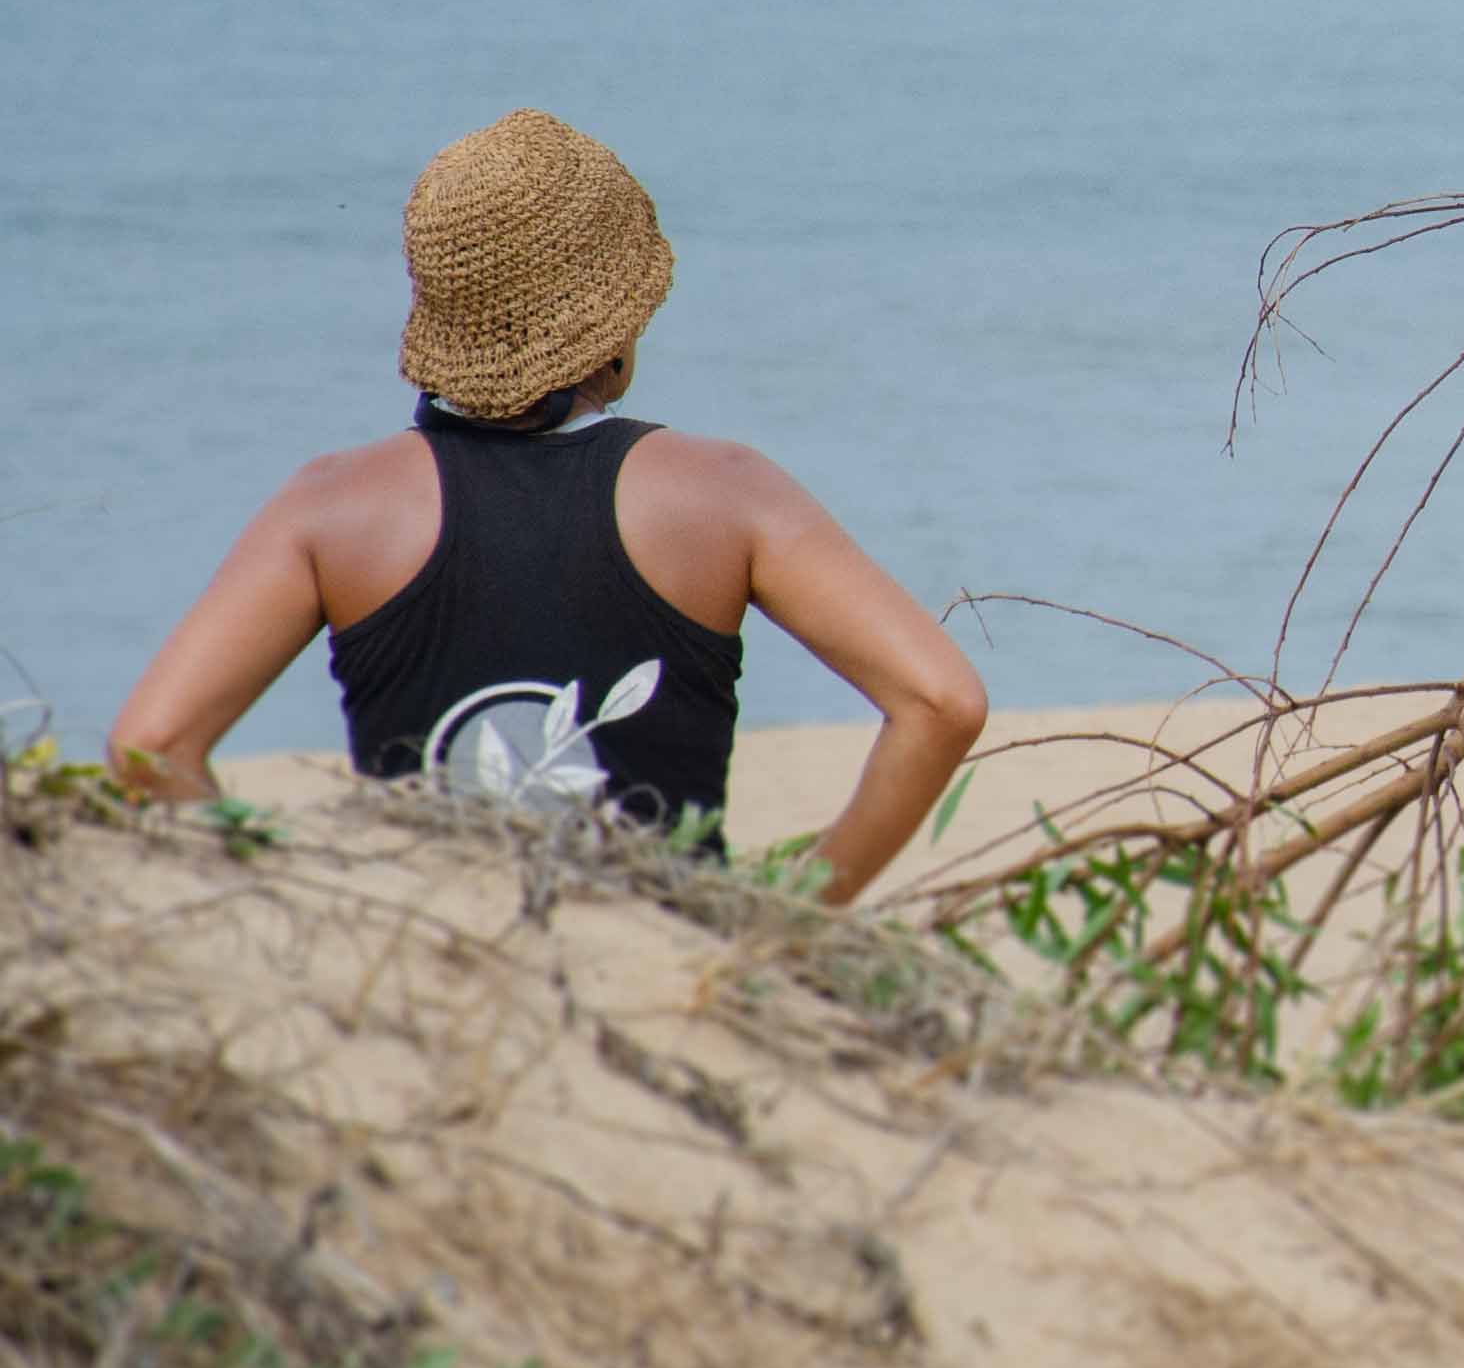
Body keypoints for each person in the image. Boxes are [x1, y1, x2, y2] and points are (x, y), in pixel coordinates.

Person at [106, 110, 988, 906]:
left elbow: (151, 744)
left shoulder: (328, 508)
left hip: (430, 975)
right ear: (616, 323)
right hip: (670, 973)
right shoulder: (725, 491)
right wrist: (791, 916)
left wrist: (295, 916)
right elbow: (941, 702)